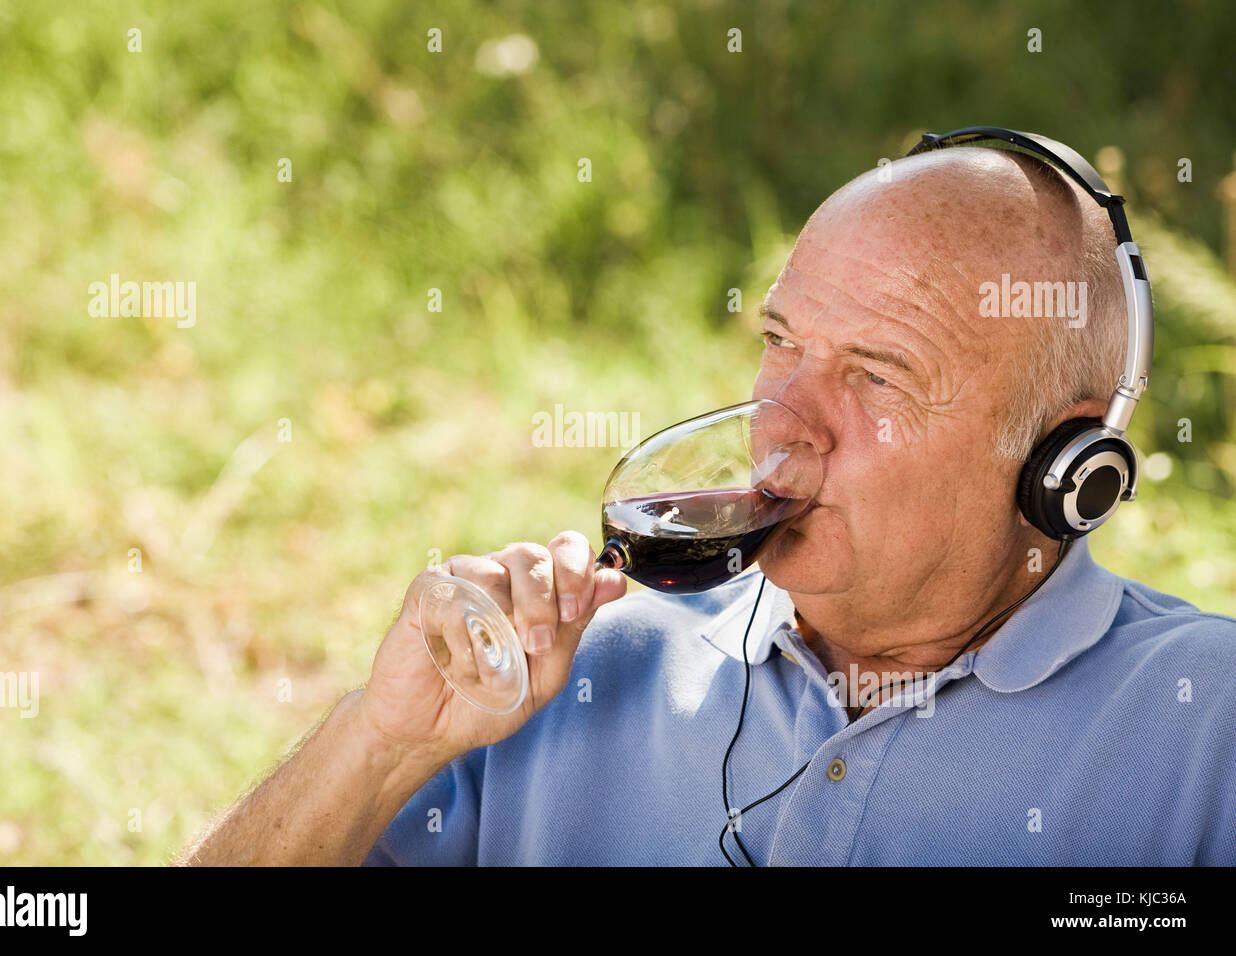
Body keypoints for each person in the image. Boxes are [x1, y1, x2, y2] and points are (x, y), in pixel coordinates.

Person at [176, 139, 1236, 866]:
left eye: (875, 374)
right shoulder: (575, 669)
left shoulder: (1205, 723)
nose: (781, 420)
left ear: (1065, 457)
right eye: (781, 342)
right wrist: (386, 742)